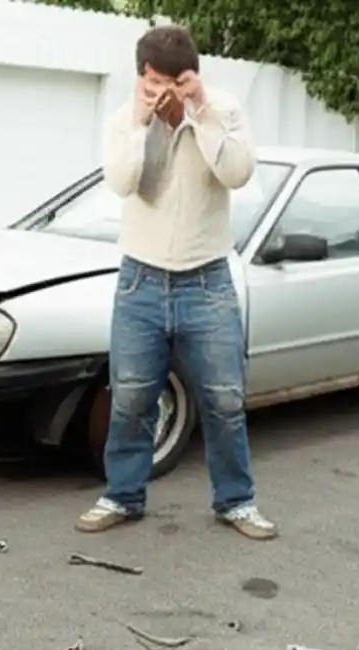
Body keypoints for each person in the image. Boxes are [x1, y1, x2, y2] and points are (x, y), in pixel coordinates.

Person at [76, 25, 277, 540]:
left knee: (226, 398)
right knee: (130, 397)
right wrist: (143, 123)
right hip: (140, 279)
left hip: (207, 279)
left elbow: (236, 172)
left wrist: (199, 110)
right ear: (141, 75)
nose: (165, 89)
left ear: (194, 75)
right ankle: (122, 495)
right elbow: (123, 183)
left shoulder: (222, 109)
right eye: (156, 80)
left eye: (178, 79)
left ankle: (236, 501)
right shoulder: (124, 119)